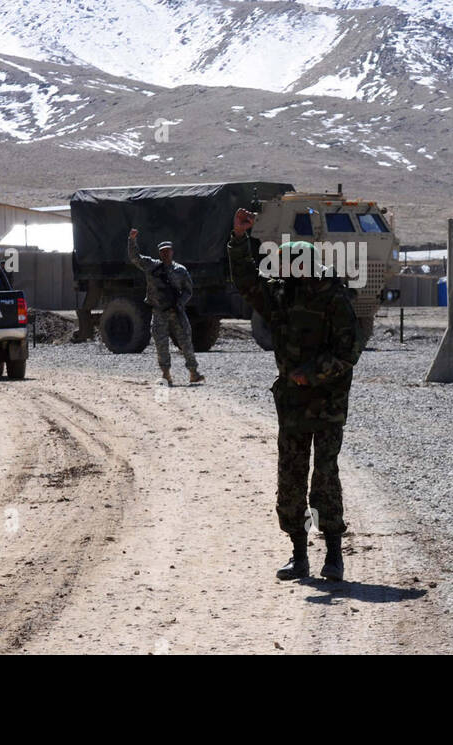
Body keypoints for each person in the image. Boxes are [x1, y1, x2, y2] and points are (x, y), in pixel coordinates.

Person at [228, 208, 363, 581]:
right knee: (290, 477)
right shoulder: (281, 297)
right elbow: (245, 282)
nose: (288, 268)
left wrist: (312, 375)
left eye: (293, 261)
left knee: (324, 476)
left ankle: (333, 554)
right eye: (285, 263)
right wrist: (239, 240)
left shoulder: (335, 298)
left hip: (328, 405)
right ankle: (298, 554)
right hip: (292, 405)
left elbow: (347, 353)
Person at [127, 228, 203, 385]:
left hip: (177, 312)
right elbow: (135, 258)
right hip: (159, 312)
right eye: (163, 252)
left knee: (186, 342)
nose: (165, 254)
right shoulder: (152, 266)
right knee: (161, 344)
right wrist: (132, 240)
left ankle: (193, 373)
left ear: (172, 252)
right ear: (159, 253)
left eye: (168, 251)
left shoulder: (180, 270)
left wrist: (179, 303)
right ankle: (166, 374)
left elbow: (188, 290)